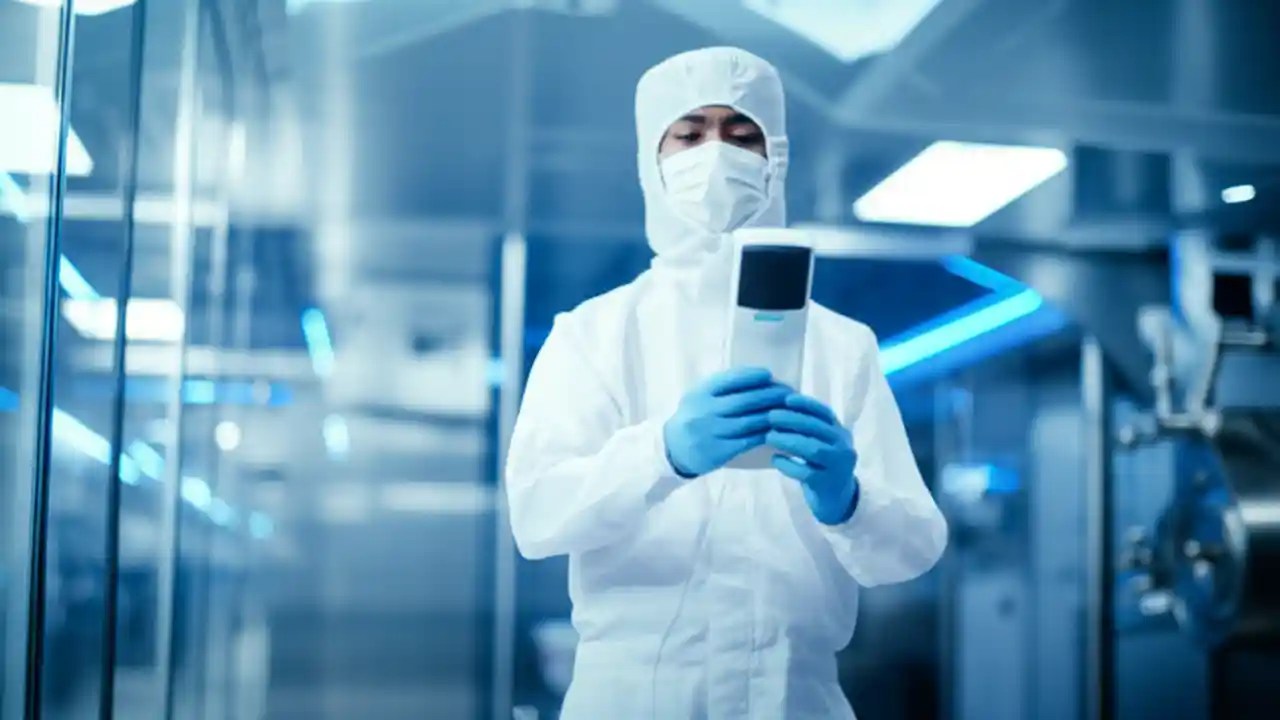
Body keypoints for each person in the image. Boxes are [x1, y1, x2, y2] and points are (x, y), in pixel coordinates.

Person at [505, 46, 947, 720]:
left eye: (743, 135)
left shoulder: (840, 346)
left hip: (795, 698)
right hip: (634, 698)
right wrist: (664, 454)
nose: (716, 154)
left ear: (777, 159)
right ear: (650, 161)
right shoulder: (593, 334)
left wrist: (847, 501)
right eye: (689, 133)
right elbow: (536, 516)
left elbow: (912, 547)